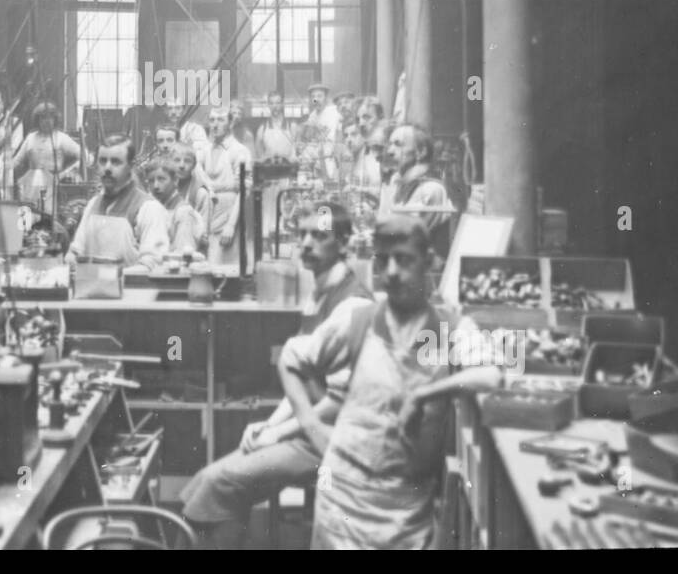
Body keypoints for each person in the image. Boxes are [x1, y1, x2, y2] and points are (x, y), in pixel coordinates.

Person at [280, 215, 504, 549]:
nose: (393, 272)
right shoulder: (359, 320)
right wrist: (310, 423)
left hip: (405, 513)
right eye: (383, 261)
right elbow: (291, 359)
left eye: (404, 259)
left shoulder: (449, 329)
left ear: (429, 262)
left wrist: (426, 394)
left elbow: (492, 375)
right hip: (341, 503)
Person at [180, 202, 370, 548]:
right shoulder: (320, 293)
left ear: (343, 244)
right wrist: (269, 425)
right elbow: (301, 378)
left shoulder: (351, 306)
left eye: (320, 235)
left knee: (218, 484)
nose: (307, 243)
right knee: (202, 482)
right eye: (303, 235)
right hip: (308, 430)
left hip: (331, 441)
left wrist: (278, 431)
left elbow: (338, 400)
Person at [66, 134, 169, 272]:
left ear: (130, 167)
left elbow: (151, 266)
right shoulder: (93, 204)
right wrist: (70, 260)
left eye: (115, 162)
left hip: (132, 291)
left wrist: (107, 278)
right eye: (103, 161)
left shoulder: (149, 208)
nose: (107, 168)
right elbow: (76, 251)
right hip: (90, 290)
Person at [377, 123, 453, 261]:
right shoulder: (400, 184)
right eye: (390, 144)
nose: (390, 151)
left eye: (398, 144)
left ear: (421, 152)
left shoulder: (430, 189)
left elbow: (400, 238)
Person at [201, 106, 252, 268]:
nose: (215, 125)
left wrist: (231, 225)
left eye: (221, 120)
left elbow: (245, 190)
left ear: (230, 124)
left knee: (226, 266)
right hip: (208, 215)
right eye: (212, 120)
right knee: (207, 265)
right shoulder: (206, 150)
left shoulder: (239, 150)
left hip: (229, 215)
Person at [11, 101, 81, 214]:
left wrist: (67, 172)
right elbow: (17, 161)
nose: (46, 121)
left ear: (55, 119)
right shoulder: (30, 138)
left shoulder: (61, 138)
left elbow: (86, 157)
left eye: (50, 117)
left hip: (52, 187)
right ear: (37, 120)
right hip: (29, 187)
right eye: (42, 118)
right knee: (26, 222)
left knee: (47, 219)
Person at [146, 156, 206, 257]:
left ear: (175, 180)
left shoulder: (184, 211)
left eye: (161, 179)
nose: (155, 186)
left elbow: (183, 254)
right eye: (151, 181)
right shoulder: (151, 207)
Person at [254, 91, 295, 161]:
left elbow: (296, 149)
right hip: (269, 169)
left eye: (277, 103)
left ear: (282, 104)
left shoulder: (292, 126)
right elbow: (258, 151)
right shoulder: (262, 128)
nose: (274, 106)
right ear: (268, 105)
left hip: (288, 169)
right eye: (271, 103)